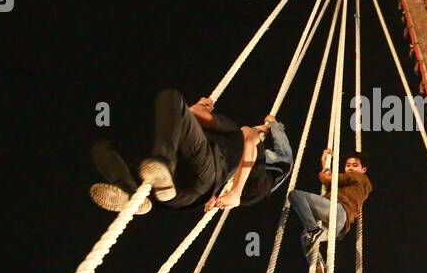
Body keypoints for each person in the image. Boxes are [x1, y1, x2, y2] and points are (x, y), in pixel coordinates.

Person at [87, 90, 291, 215]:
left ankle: (161, 164)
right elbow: (188, 114)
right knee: (103, 149)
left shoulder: (234, 130)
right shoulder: (187, 134)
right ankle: (130, 193)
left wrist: (235, 193)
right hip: (179, 196)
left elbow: (250, 142)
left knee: (171, 98)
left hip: (204, 175)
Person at [288, 149, 372, 273]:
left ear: (363, 169)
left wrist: (324, 170)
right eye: (348, 164)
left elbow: (327, 178)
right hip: (340, 226)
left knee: (295, 195)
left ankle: (314, 230)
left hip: (339, 211)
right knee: (306, 238)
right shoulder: (346, 184)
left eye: (354, 164)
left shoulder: (360, 178)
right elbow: (329, 182)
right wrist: (324, 162)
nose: (350, 167)